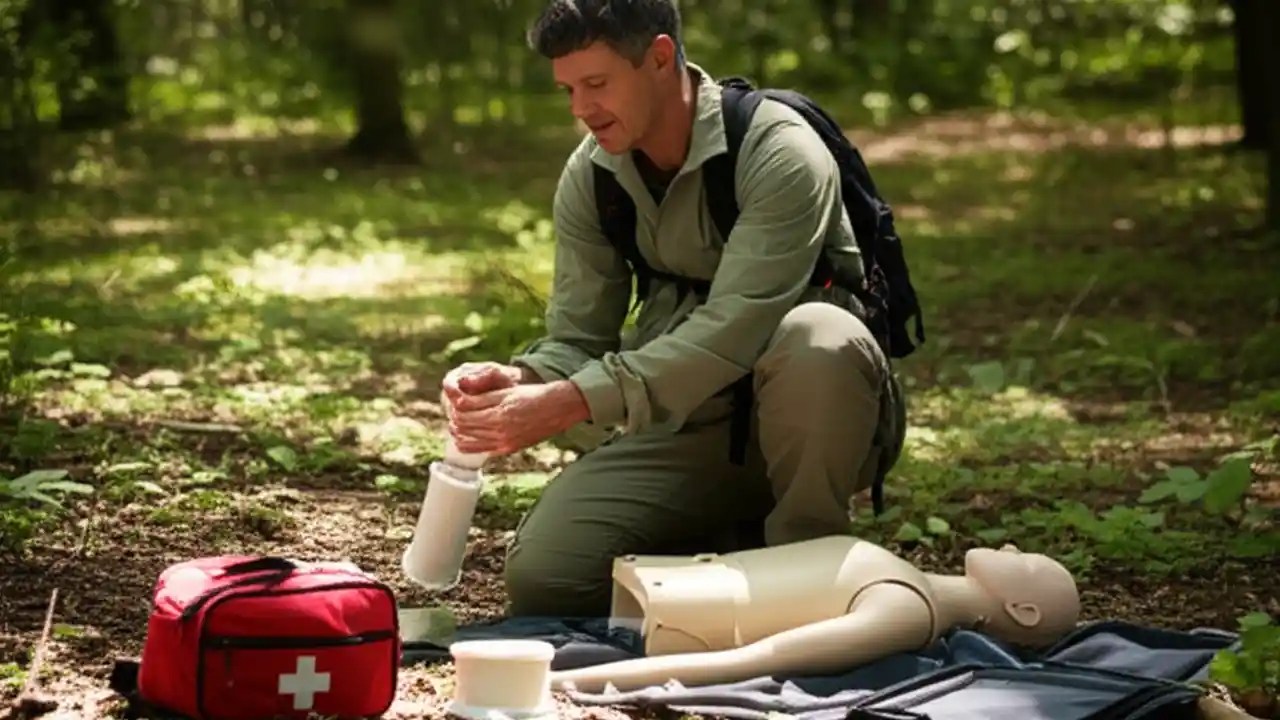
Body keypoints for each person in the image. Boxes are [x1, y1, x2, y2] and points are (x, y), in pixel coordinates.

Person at [441, 0, 907, 619]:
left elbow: (733, 329)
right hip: (686, 424)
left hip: (814, 422)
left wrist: (575, 401)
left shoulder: (779, 151)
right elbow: (577, 337)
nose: (581, 110)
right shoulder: (594, 177)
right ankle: (737, 550)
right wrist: (524, 380)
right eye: (568, 90)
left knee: (819, 335)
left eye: (597, 84)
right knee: (547, 579)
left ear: (660, 58)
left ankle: (809, 557)